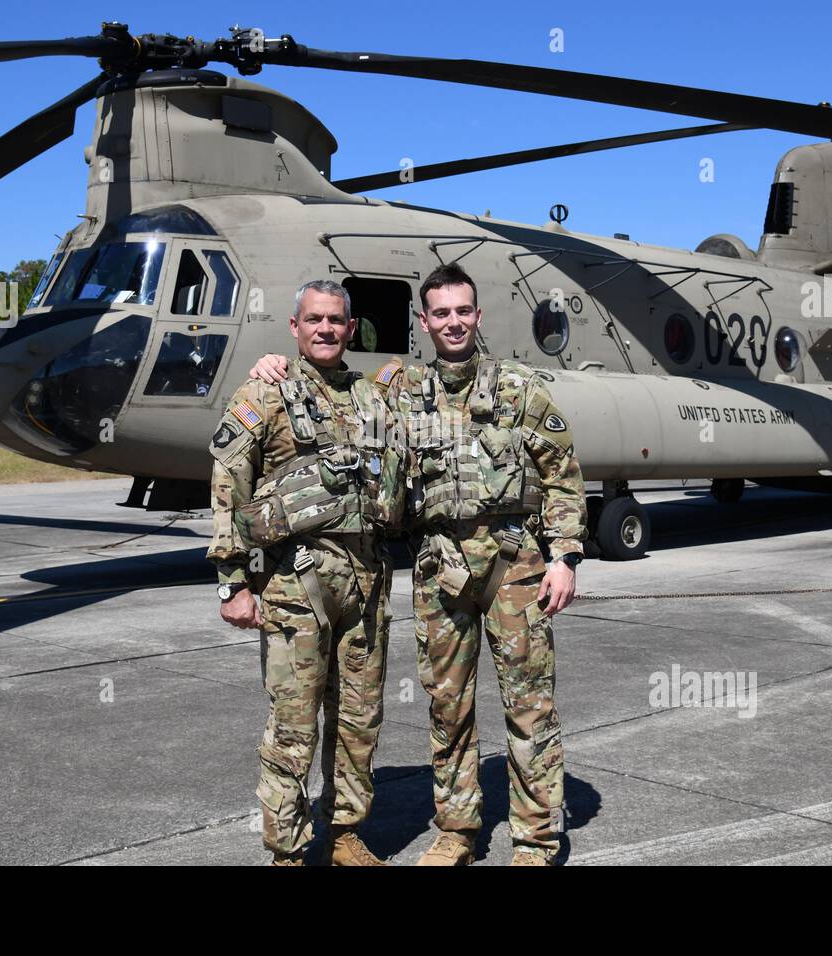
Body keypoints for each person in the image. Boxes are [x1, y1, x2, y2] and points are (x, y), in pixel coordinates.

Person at [249, 262, 587, 866]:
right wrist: (274, 365)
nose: (453, 322)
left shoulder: (520, 388)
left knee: (530, 705)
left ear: (477, 316)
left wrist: (563, 557)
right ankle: (457, 830)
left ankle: (535, 840)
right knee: (447, 706)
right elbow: (333, 392)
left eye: (463, 311)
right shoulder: (399, 391)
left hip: (514, 566)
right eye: (441, 313)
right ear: (424, 322)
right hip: (440, 568)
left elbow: (562, 475)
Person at [208, 278, 406, 866]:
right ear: (294, 327)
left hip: (366, 583)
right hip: (295, 585)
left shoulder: (371, 398)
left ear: (351, 328)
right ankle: (288, 851)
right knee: (293, 725)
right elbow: (228, 484)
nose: (326, 329)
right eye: (314, 319)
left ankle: (344, 835)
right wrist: (232, 583)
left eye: (336, 320)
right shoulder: (265, 390)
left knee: (358, 720)